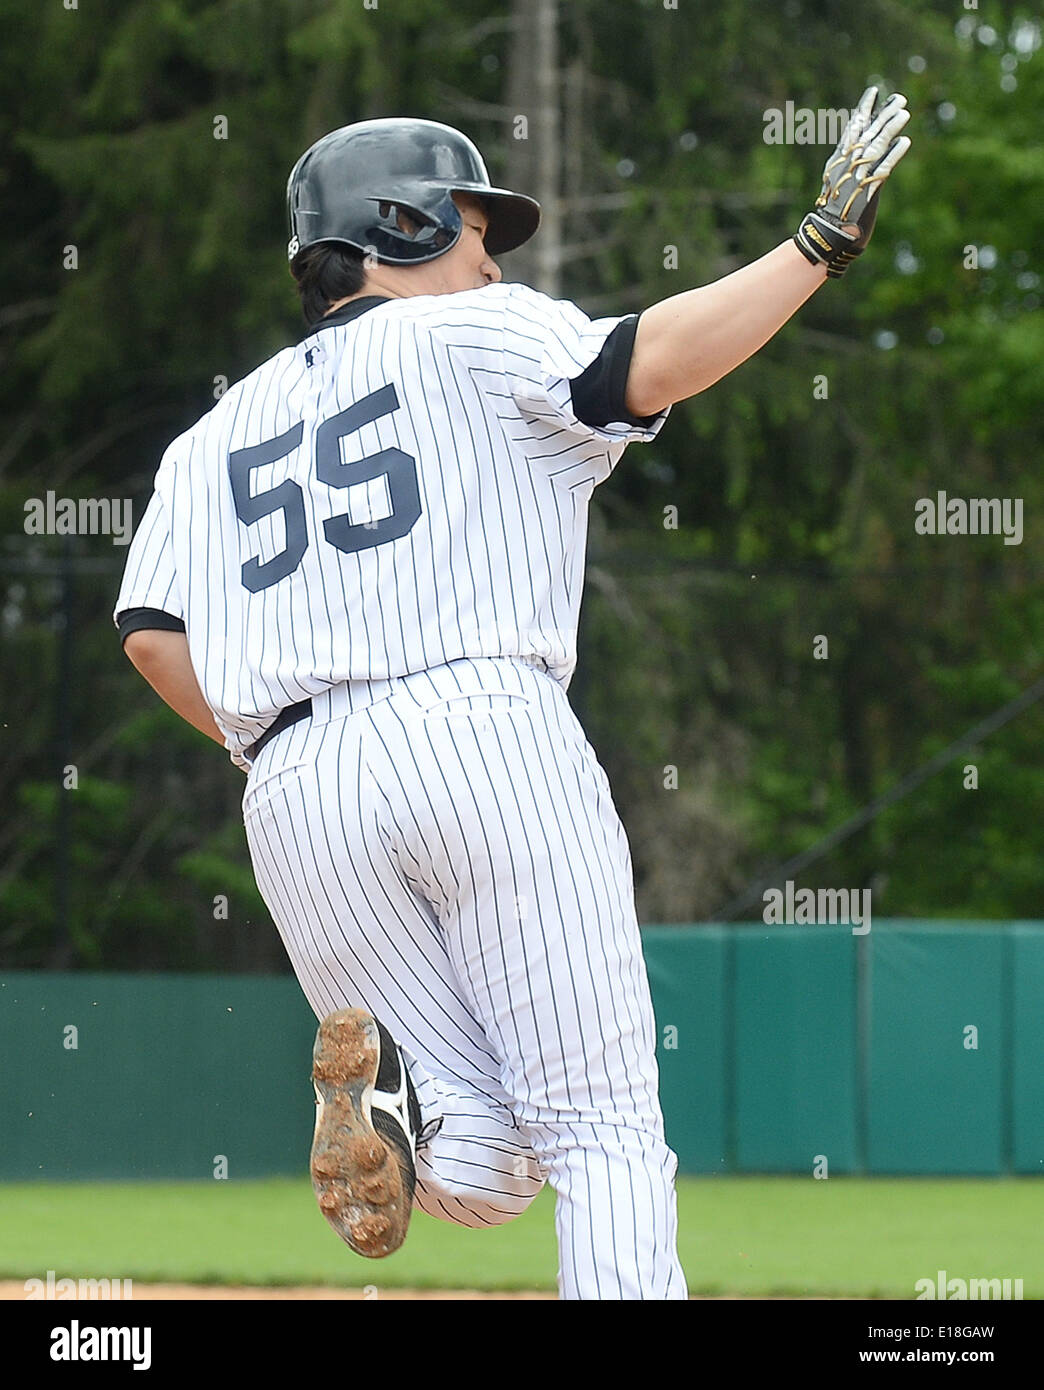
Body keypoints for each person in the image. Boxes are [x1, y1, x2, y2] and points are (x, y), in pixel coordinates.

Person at [115, 92, 910, 1300]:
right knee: (601, 1129)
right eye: (476, 227)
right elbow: (647, 359)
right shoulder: (474, 333)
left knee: (485, 1170)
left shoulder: (207, 438)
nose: (492, 257)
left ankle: (383, 1108)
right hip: (479, 730)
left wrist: (270, 746)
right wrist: (816, 248)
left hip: (290, 785)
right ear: (404, 226)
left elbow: (152, 641)